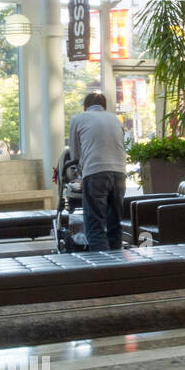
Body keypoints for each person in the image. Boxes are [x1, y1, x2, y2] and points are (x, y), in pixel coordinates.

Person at [67, 92, 128, 251]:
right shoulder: (115, 119)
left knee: (95, 226)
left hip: (95, 173)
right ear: (104, 106)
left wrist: (79, 174)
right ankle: (118, 266)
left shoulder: (78, 119)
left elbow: (75, 155)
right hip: (120, 173)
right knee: (115, 225)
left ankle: (103, 269)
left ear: (85, 107)